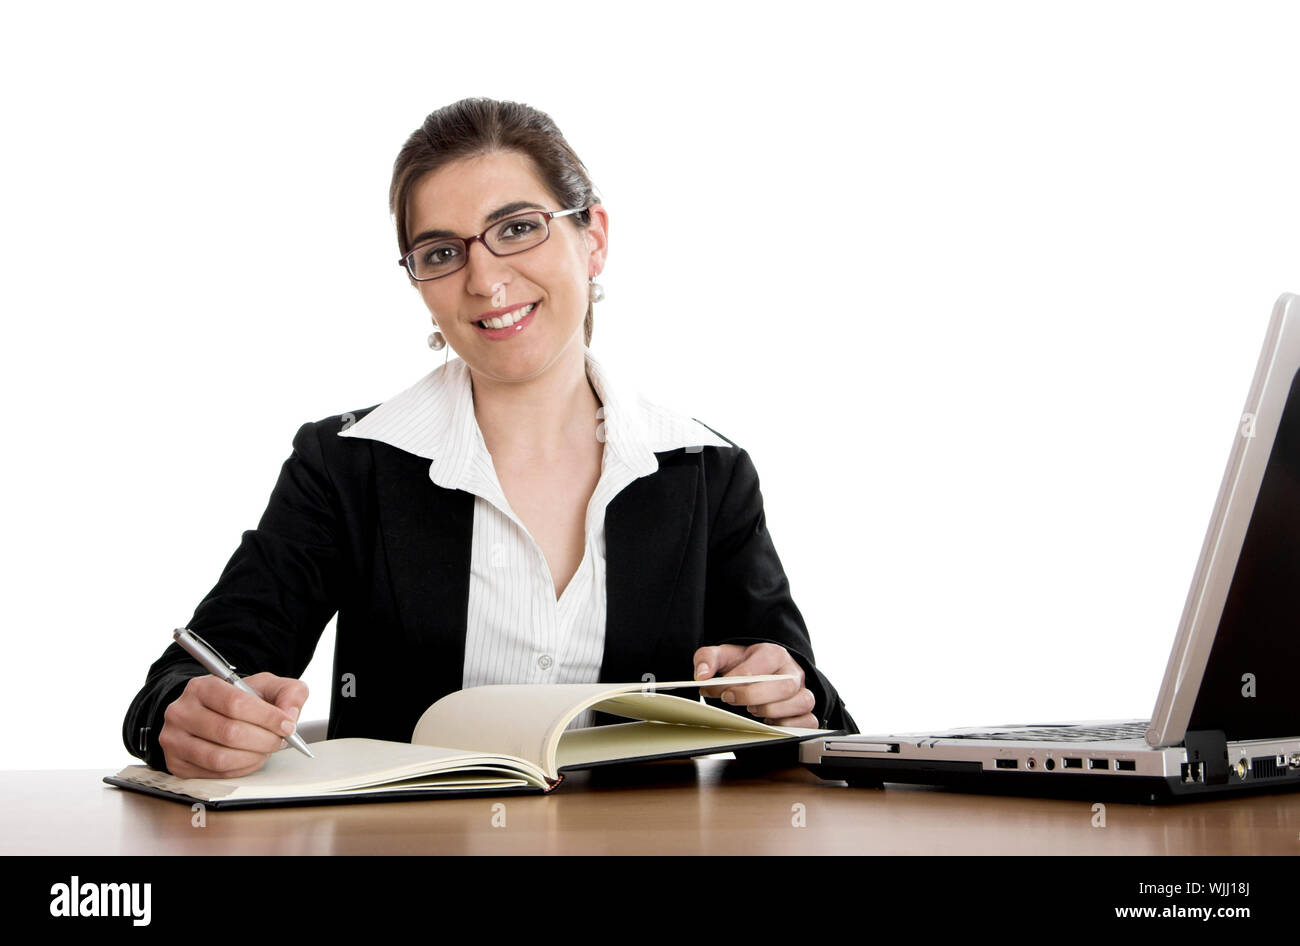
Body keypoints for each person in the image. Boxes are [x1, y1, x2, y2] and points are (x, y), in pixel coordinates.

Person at [122, 97, 858, 780]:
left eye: (517, 228)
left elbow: (810, 715)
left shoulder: (706, 471)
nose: (485, 278)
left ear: (593, 238)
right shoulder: (346, 465)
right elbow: (189, 678)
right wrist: (183, 717)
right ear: (420, 283)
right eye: (442, 252)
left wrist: (786, 696)